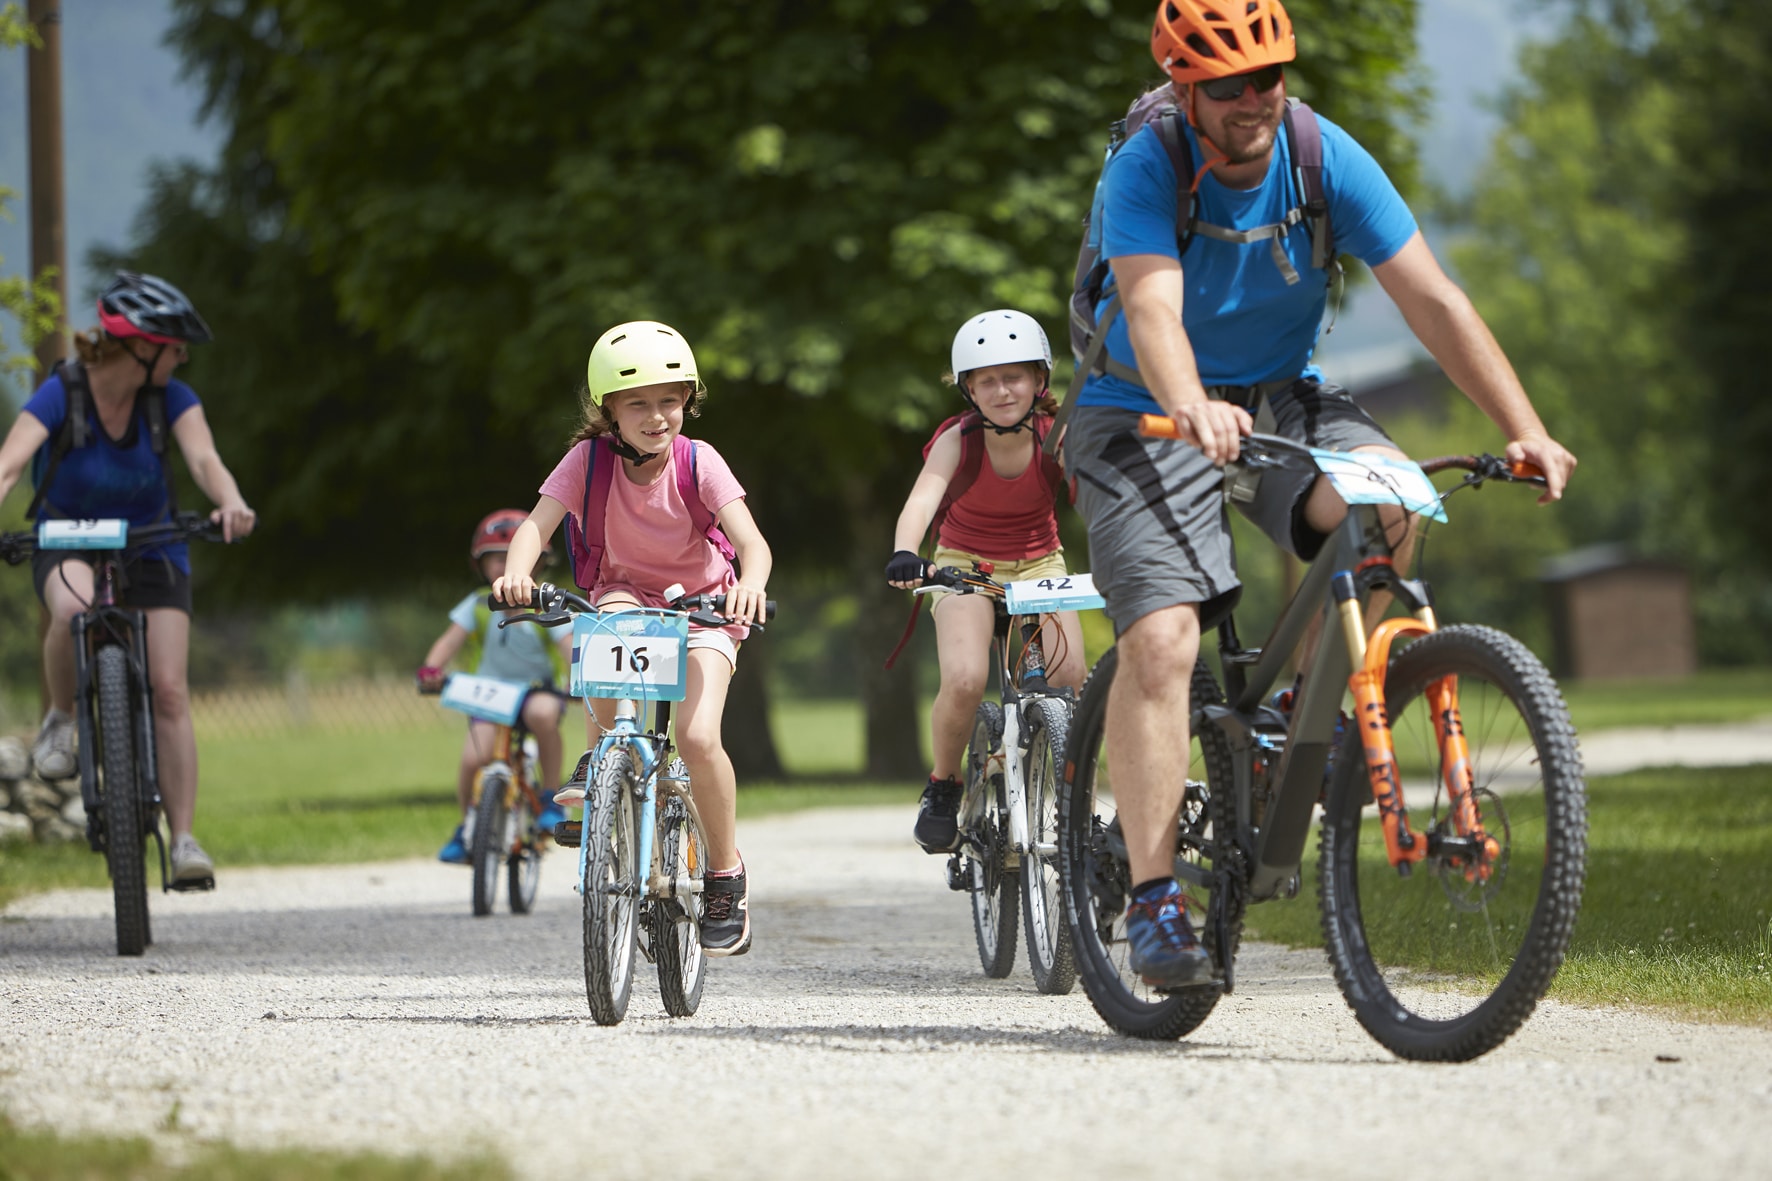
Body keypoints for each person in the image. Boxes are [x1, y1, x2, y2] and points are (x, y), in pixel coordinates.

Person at [1061, 0, 1578, 986]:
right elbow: (1149, 306)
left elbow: (1432, 297)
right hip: (1140, 409)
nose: (1252, 99)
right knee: (1163, 635)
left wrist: (1524, 424)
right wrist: (1189, 404)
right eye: (1227, 84)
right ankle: (1155, 894)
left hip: (1280, 398)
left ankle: (1292, 716)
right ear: (1184, 91)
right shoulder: (1146, 168)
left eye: (1268, 76)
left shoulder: (1320, 154)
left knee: (1387, 504)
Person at [492, 321, 772, 957]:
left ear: (687, 402)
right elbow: (536, 526)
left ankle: (725, 874)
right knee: (604, 622)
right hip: (626, 592)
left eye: (669, 399)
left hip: (704, 606)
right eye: (638, 402)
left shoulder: (700, 462)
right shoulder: (586, 461)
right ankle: (601, 764)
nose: (656, 415)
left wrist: (748, 586)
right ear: (608, 411)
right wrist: (517, 572)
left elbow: (752, 544)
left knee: (699, 739)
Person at [0, 271, 256, 887]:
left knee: (169, 689)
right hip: (67, 538)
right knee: (70, 611)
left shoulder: (174, 400)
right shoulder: (62, 392)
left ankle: (186, 838)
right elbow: (9, 464)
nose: (183, 358)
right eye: (174, 347)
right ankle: (62, 718)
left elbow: (204, 460)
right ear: (140, 346)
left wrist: (230, 501)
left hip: (152, 542)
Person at [885, 310, 1086, 854]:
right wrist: (907, 552)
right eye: (987, 380)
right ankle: (944, 784)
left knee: (1071, 677)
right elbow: (922, 499)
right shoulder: (958, 439)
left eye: (1015, 376)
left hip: (1041, 562)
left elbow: (1095, 496)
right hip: (964, 564)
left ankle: (1075, 797)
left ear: (1040, 381)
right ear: (968, 388)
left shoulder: (1056, 434)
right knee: (967, 678)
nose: (1002, 390)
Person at [417, 509, 574, 863]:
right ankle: (468, 823)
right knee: (474, 757)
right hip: (490, 694)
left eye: (512, 558)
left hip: (537, 689)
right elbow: (448, 642)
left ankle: (550, 796)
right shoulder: (476, 605)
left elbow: (569, 647)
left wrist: (578, 676)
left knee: (544, 715)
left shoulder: (545, 607)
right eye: (495, 560)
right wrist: (431, 668)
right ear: (480, 564)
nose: (504, 567)